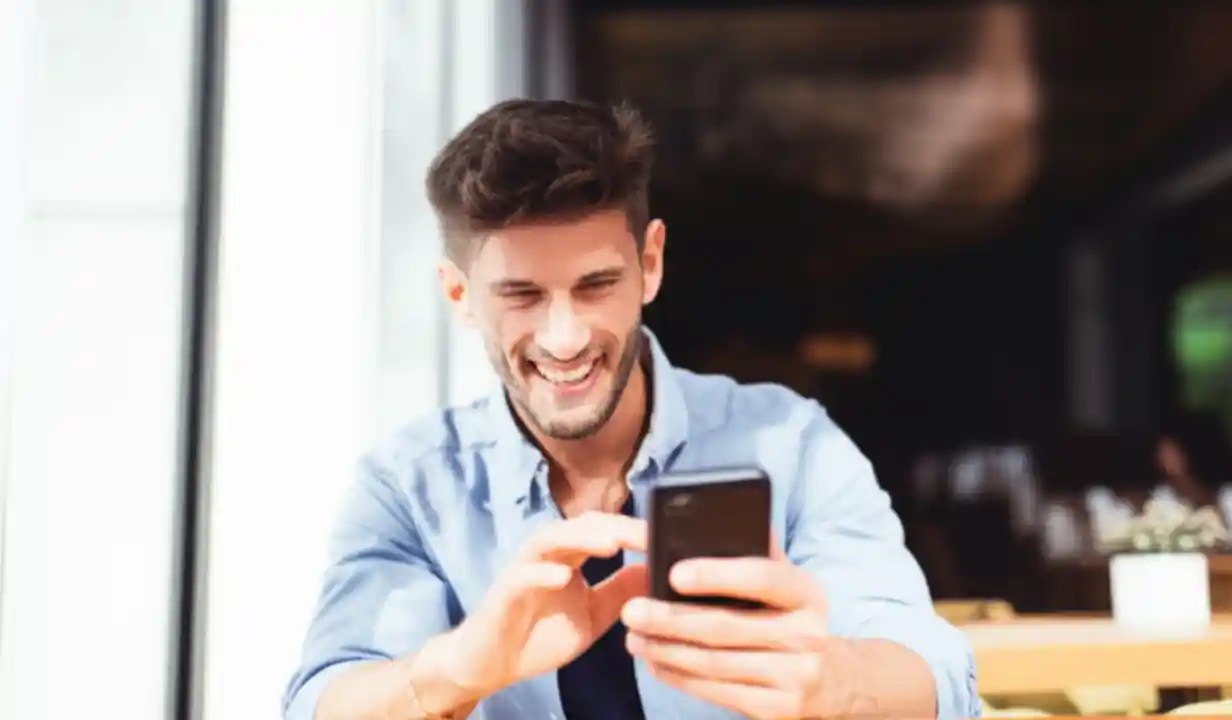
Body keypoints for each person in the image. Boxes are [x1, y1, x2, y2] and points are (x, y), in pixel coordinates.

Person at [282, 99, 977, 720]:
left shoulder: (791, 445)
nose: (565, 338)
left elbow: (938, 676)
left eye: (596, 285)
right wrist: (460, 669)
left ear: (650, 264)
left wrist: (839, 685)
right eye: (521, 295)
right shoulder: (408, 486)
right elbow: (322, 702)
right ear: (460, 295)